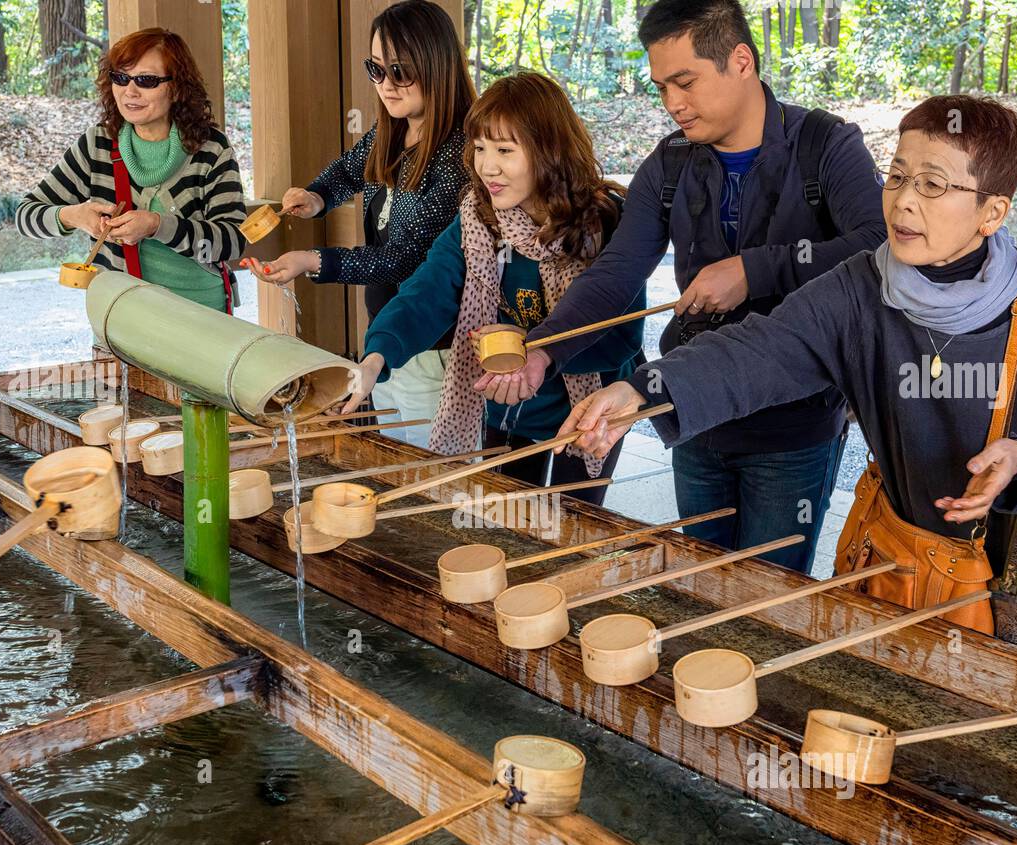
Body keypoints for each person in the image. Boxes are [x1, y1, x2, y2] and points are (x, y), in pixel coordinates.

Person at [560, 95, 1017, 614]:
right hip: (900, 559)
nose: (904, 201)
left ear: (992, 213)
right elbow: (760, 348)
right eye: (898, 176)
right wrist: (642, 389)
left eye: (933, 186)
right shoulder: (862, 286)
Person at [479, 0, 886, 571]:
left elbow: (881, 248)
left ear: (741, 61)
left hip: (793, 420)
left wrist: (756, 270)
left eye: (685, 82)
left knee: (770, 595)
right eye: (661, 87)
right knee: (701, 579)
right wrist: (544, 349)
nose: (672, 103)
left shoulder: (825, 146)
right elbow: (618, 269)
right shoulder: (669, 164)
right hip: (689, 408)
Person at [338, 72, 647, 506]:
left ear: (549, 150)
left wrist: (536, 348)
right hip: (502, 401)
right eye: (480, 148)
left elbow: (621, 336)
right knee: (506, 520)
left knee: (571, 527)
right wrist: (375, 359)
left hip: (589, 407)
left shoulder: (606, 223)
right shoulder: (478, 217)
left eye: (505, 150)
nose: (487, 166)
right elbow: (426, 292)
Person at [247, 0, 475, 447]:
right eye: (376, 69)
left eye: (400, 71)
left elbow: (402, 260)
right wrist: (317, 196)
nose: (386, 85)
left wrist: (313, 260)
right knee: (391, 467)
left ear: (437, 64)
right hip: (385, 336)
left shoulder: (460, 153)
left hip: (435, 346)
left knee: (438, 481)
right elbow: (350, 170)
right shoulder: (393, 128)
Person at [17, 27, 246, 312]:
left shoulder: (211, 148)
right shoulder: (98, 144)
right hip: (118, 316)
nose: (130, 91)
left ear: (177, 88)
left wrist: (157, 225)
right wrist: (73, 215)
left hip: (200, 315)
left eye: (147, 80)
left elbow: (233, 242)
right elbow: (25, 216)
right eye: (121, 78)